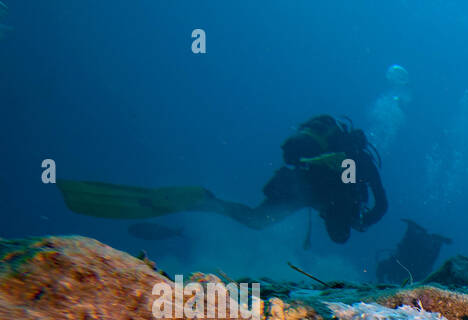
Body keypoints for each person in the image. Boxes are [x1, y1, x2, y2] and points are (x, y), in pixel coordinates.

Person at [57, 115, 388, 244]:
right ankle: (206, 201)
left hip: (300, 186)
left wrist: (361, 215)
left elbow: (377, 207)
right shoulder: (359, 167)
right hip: (308, 188)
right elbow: (381, 205)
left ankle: (206, 201)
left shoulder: (350, 167)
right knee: (259, 222)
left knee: (257, 221)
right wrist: (365, 220)